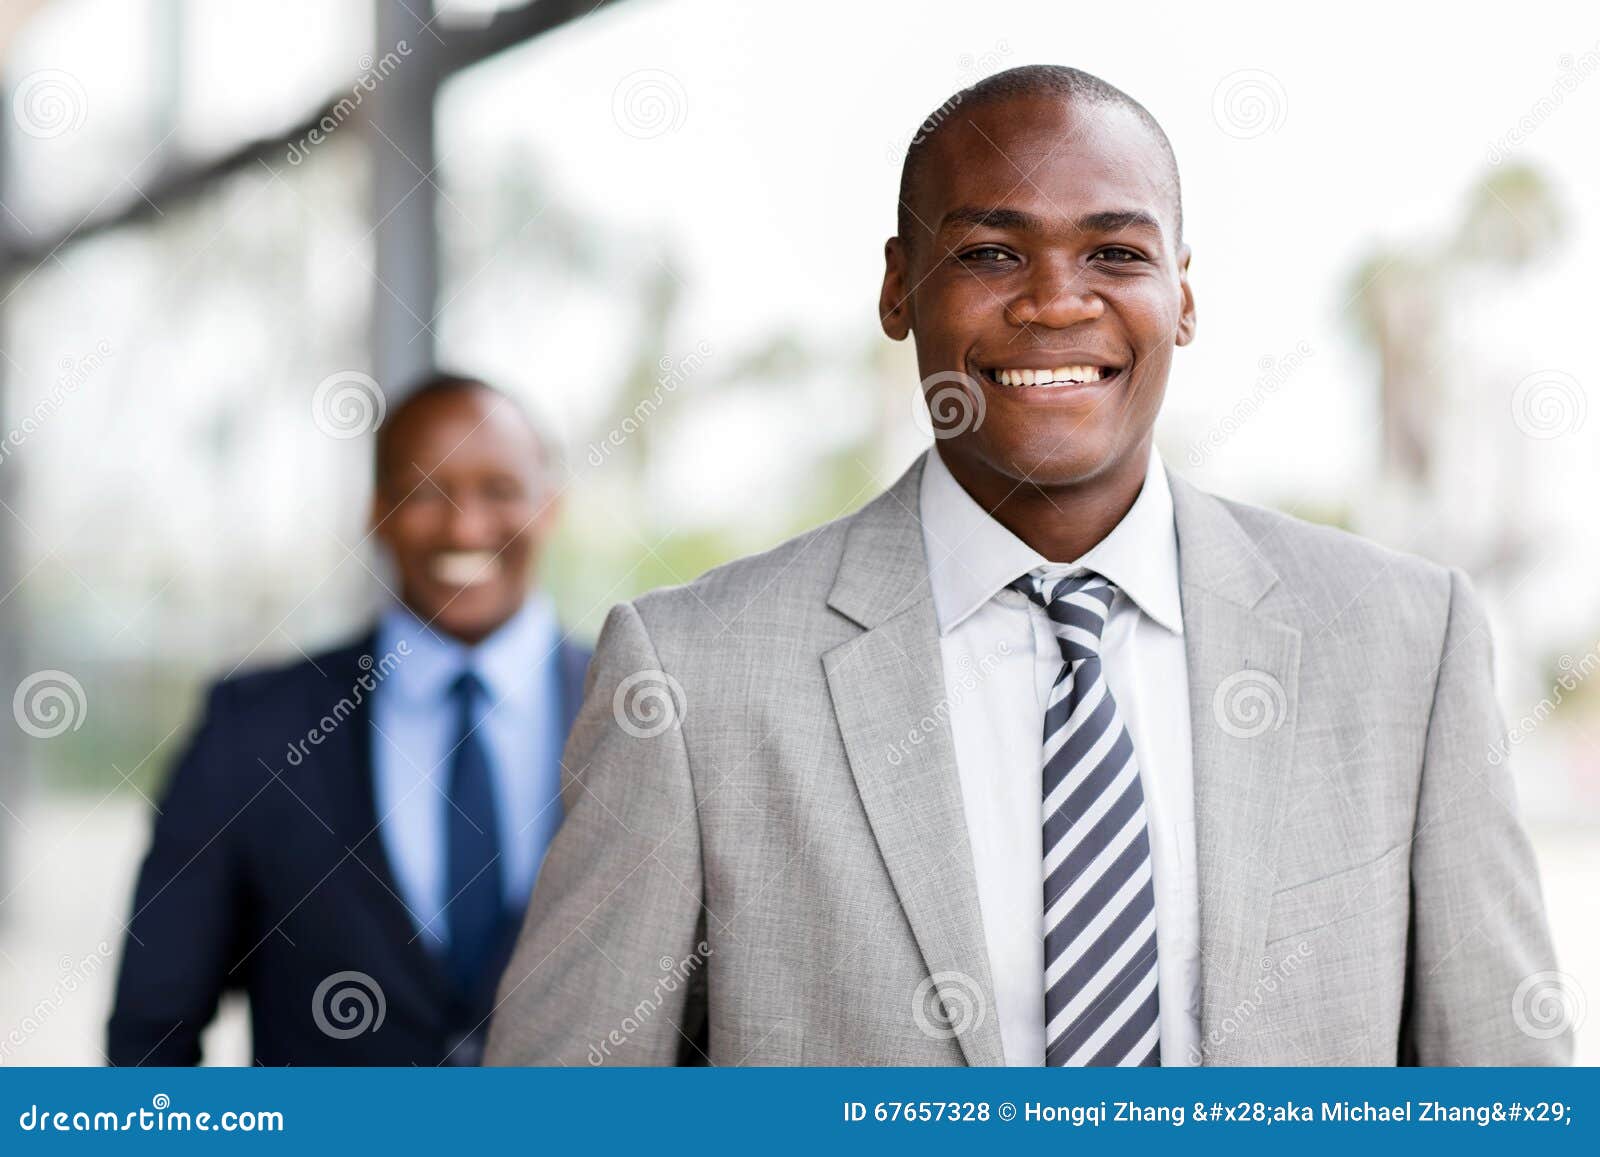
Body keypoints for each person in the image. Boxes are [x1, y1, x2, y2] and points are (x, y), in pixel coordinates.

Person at [485, 66, 1569, 1067]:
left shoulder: (1402, 642)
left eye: (1116, 253)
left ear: (1182, 296)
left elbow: (1504, 1090)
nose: (1056, 300)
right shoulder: (692, 675)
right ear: (897, 287)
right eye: (991, 253)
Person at [108, 374, 589, 1066]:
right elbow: (150, 1032)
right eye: (427, 491)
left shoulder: (645, 717)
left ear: (550, 507)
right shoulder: (253, 729)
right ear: (378, 511)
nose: (465, 525)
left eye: (501, 490)